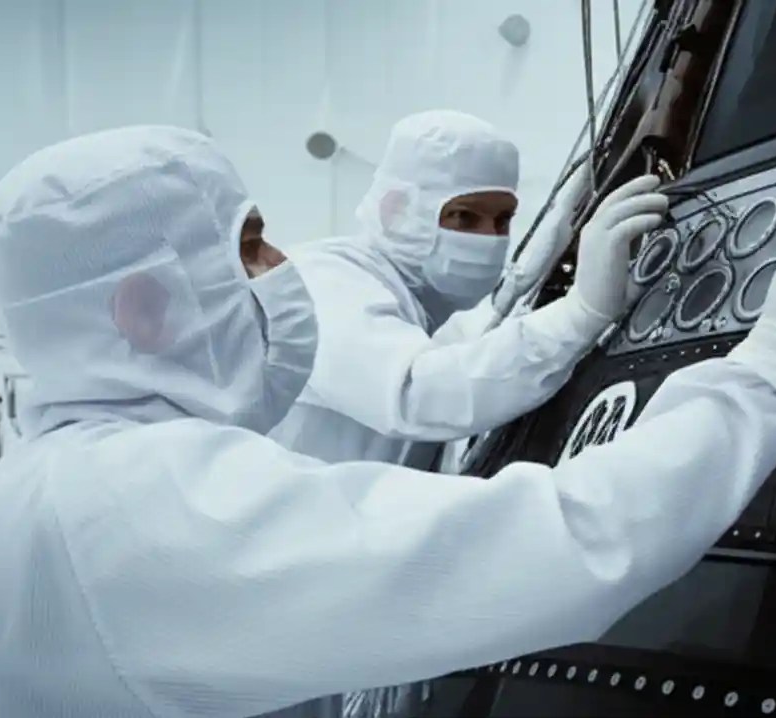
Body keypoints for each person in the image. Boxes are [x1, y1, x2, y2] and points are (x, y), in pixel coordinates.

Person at [0, 124, 776, 718]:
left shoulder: (35, 487)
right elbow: (564, 541)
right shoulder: (141, 501)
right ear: (145, 311)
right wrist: (774, 356)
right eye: (249, 246)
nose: (283, 265)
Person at [269, 110, 628, 469]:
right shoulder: (321, 278)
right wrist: (579, 316)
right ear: (396, 210)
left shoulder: (425, 316)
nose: (489, 238)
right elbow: (415, 393)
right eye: (465, 216)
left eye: (502, 221)